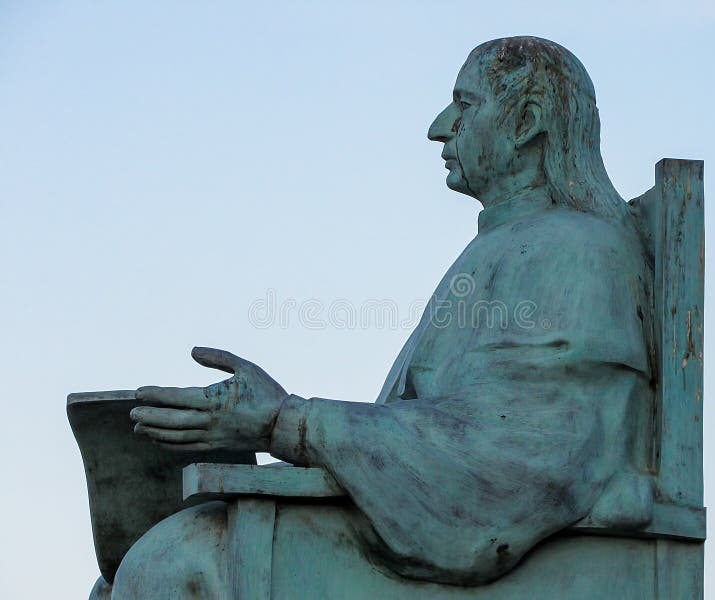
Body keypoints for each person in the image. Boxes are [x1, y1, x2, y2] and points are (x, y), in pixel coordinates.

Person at [113, 36, 654, 597]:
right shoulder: (511, 243)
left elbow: (521, 456)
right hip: (416, 542)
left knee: (177, 565)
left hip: (492, 562)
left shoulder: (576, 249)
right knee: (138, 561)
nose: (440, 127)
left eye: (465, 105)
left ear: (527, 122)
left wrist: (285, 423)